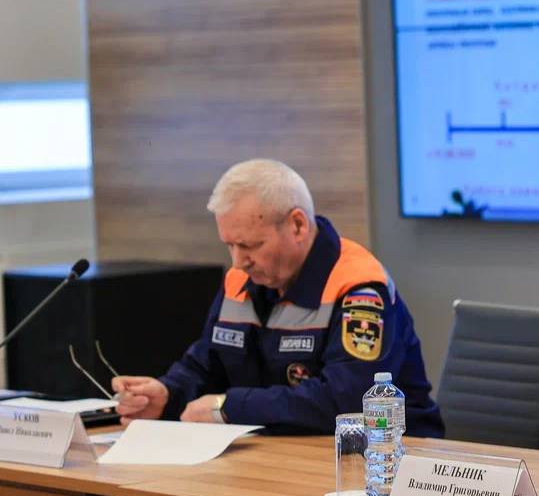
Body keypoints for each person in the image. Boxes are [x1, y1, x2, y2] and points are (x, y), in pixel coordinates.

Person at [111, 159, 445, 436]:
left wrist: (229, 408)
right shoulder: (241, 279)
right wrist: (168, 393)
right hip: (276, 452)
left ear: (297, 225)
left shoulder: (359, 288)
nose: (238, 261)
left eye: (250, 245)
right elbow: (207, 363)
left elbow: (348, 401)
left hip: (384, 461)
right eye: (230, 245)